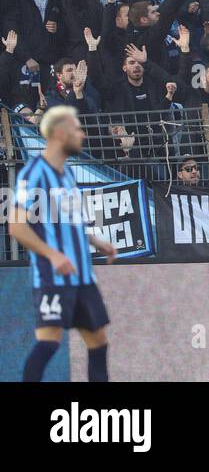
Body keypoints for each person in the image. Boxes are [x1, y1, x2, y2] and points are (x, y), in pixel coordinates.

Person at [12, 106, 117, 382]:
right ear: (59, 134)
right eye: (77, 130)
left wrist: (96, 240)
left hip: (82, 276)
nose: (82, 135)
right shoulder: (33, 173)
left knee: (98, 343)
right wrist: (53, 255)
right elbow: (17, 226)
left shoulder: (67, 174)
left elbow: (72, 223)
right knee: (49, 342)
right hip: (53, 276)